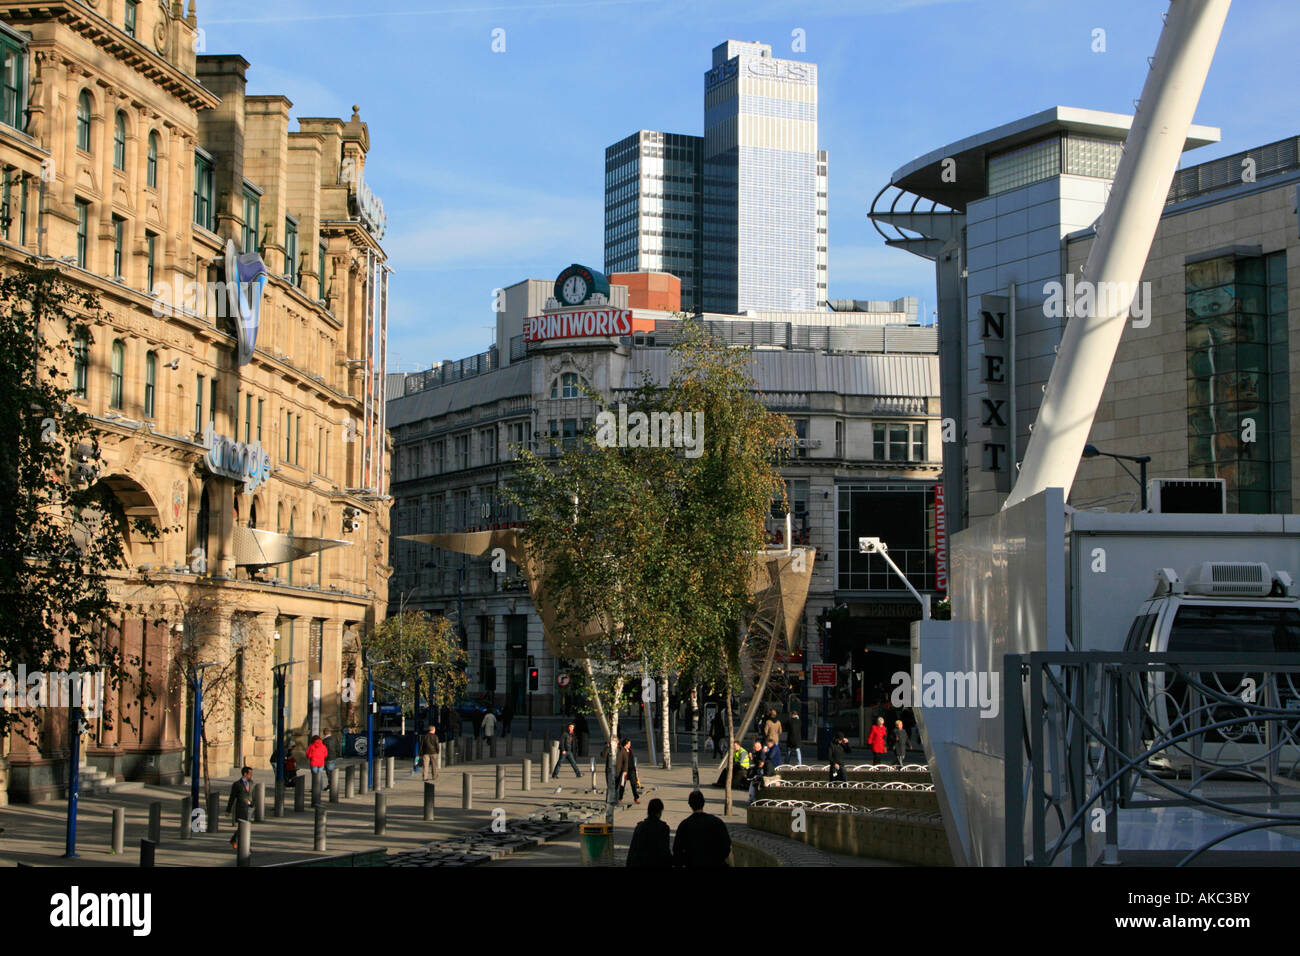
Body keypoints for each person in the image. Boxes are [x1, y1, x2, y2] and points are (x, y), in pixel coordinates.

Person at [672, 790, 732, 867]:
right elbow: (726, 846)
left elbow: (677, 851)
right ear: (703, 803)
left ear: (690, 804)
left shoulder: (684, 825)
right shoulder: (717, 822)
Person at [626, 798, 671, 867]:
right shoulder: (663, 828)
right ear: (660, 812)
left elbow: (632, 850)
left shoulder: (640, 827)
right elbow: (665, 851)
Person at [226, 766, 254, 850]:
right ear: (245, 774)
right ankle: (247, 847)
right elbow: (232, 797)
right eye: (250, 774)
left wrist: (252, 803)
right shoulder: (237, 784)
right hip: (241, 808)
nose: (251, 775)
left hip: (249, 808)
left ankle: (234, 840)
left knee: (243, 828)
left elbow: (251, 794)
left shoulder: (251, 782)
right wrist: (228, 810)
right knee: (244, 828)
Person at [616, 737, 641, 803]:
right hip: (624, 770)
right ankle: (620, 798)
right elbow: (620, 761)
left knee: (634, 784)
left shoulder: (630, 750)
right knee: (622, 785)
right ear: (626, 744)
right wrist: (623, 770)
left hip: (631, 770)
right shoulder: (622, 751)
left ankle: (636, 798)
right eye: (629, 743)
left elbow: (632, 761)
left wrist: (635, 770)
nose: (630, 745)